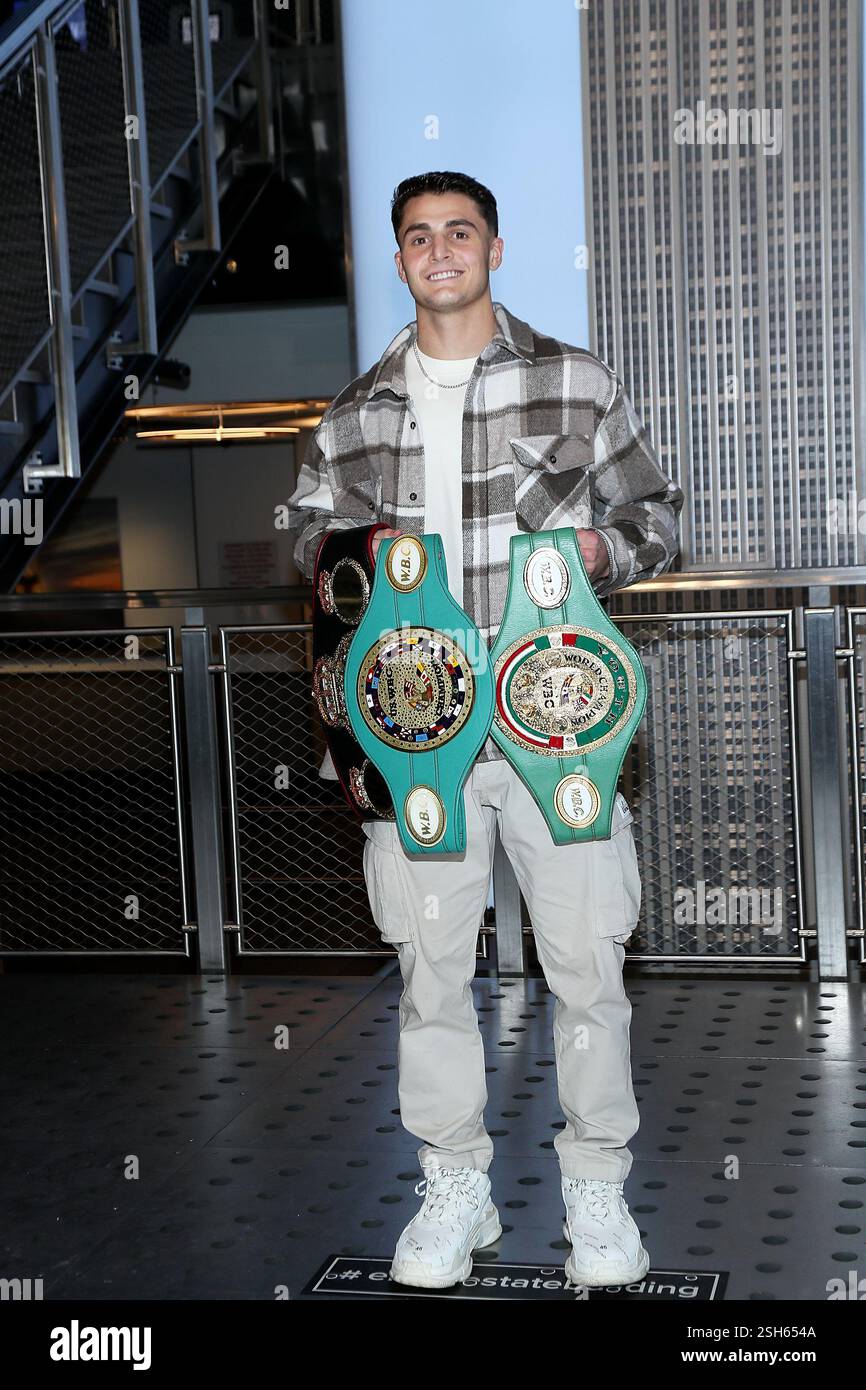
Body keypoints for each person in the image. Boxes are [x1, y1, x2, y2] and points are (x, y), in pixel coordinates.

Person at [286, 170, 684, 1291]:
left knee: (584, 967)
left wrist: (601, 553)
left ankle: (595, 1188)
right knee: (426, 977)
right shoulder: (353, 411)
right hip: (411, 743)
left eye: (459, 232)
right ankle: (453, 1187)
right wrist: (347, 569)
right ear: (400, 259)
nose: (440, 251)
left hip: (555, 733)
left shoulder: (573, 380)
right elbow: (307, 557)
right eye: (418, 236)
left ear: (494, 250)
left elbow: (655, 518)